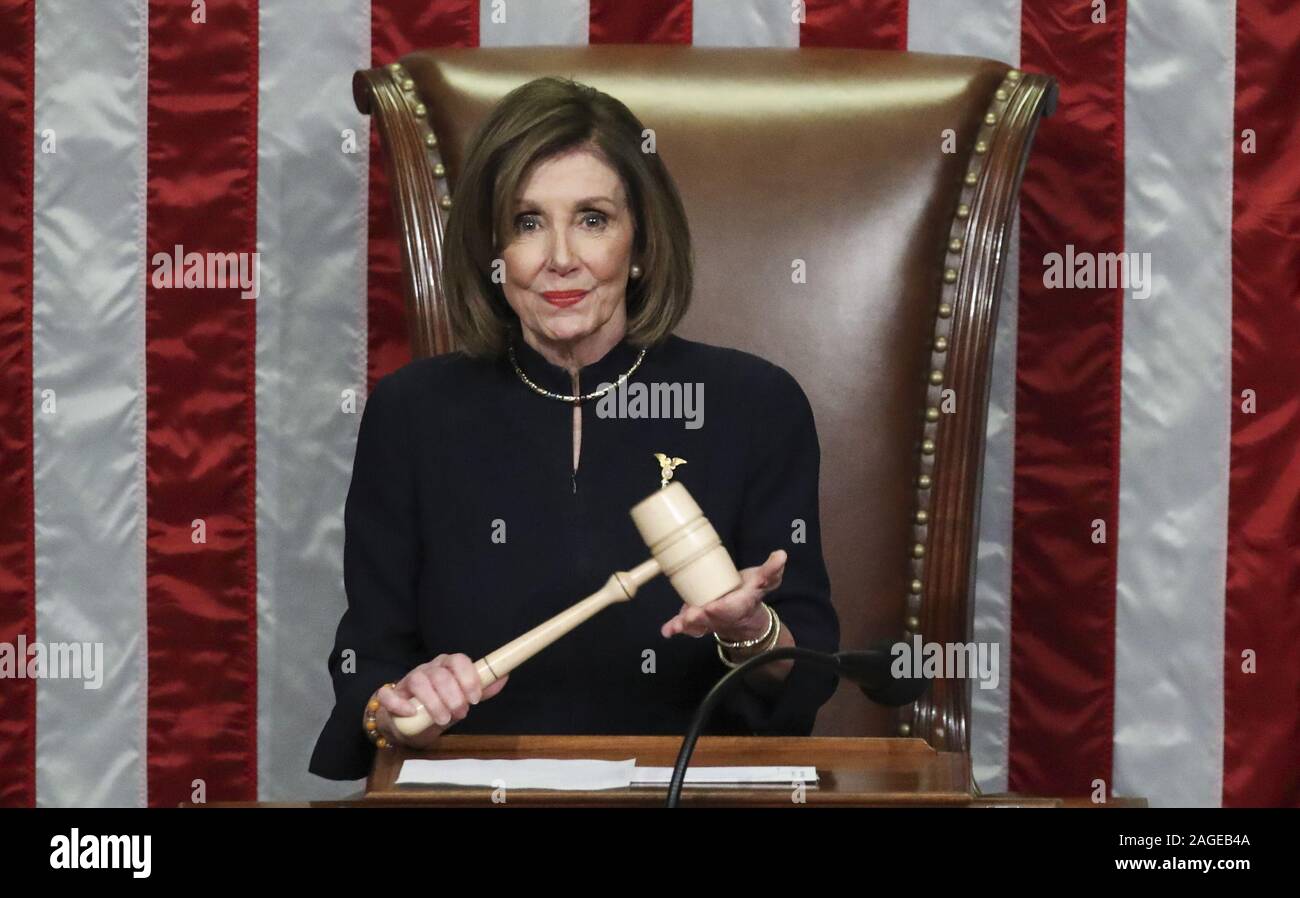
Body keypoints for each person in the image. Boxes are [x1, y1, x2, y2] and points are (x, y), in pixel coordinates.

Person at [309, 75, 840, 781]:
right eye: (527, 222)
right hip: (475, 793)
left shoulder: (755, 404)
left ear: (641, 242)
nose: (561, 256)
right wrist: (395, 701)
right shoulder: (413, 413)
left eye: (592, 218)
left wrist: (749, 633)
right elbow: (367, 657)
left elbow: (809, 670)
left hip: (693, 793)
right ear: (493, 253)